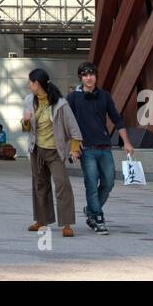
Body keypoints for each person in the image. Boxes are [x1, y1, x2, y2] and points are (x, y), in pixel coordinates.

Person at [66, 61, 134, 235]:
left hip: (104, 147)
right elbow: (66, 121)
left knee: (109, 182)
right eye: (85, 75)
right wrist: (74, 143)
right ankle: (98, 217)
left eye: (92, 74)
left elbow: (117, 119)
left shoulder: (104, 96)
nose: (89, 78)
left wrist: (126, 142)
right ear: (81, 77)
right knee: (91, 183)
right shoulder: (73, 97)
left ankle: (90, 209)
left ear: (96, 76)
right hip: (86, 148)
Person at [22, 68, 83, 237]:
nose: (29, 85)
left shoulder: (60, 104)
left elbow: (73, 129)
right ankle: (42, 220)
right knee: (40, 185)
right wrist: (26, 121)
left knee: (62, 185)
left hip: (55, 152)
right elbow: (26, 129)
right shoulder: (29, 101)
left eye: (30, 82)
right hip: (36, 151)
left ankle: (67, 223)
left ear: (37, 83)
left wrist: (74, 149)